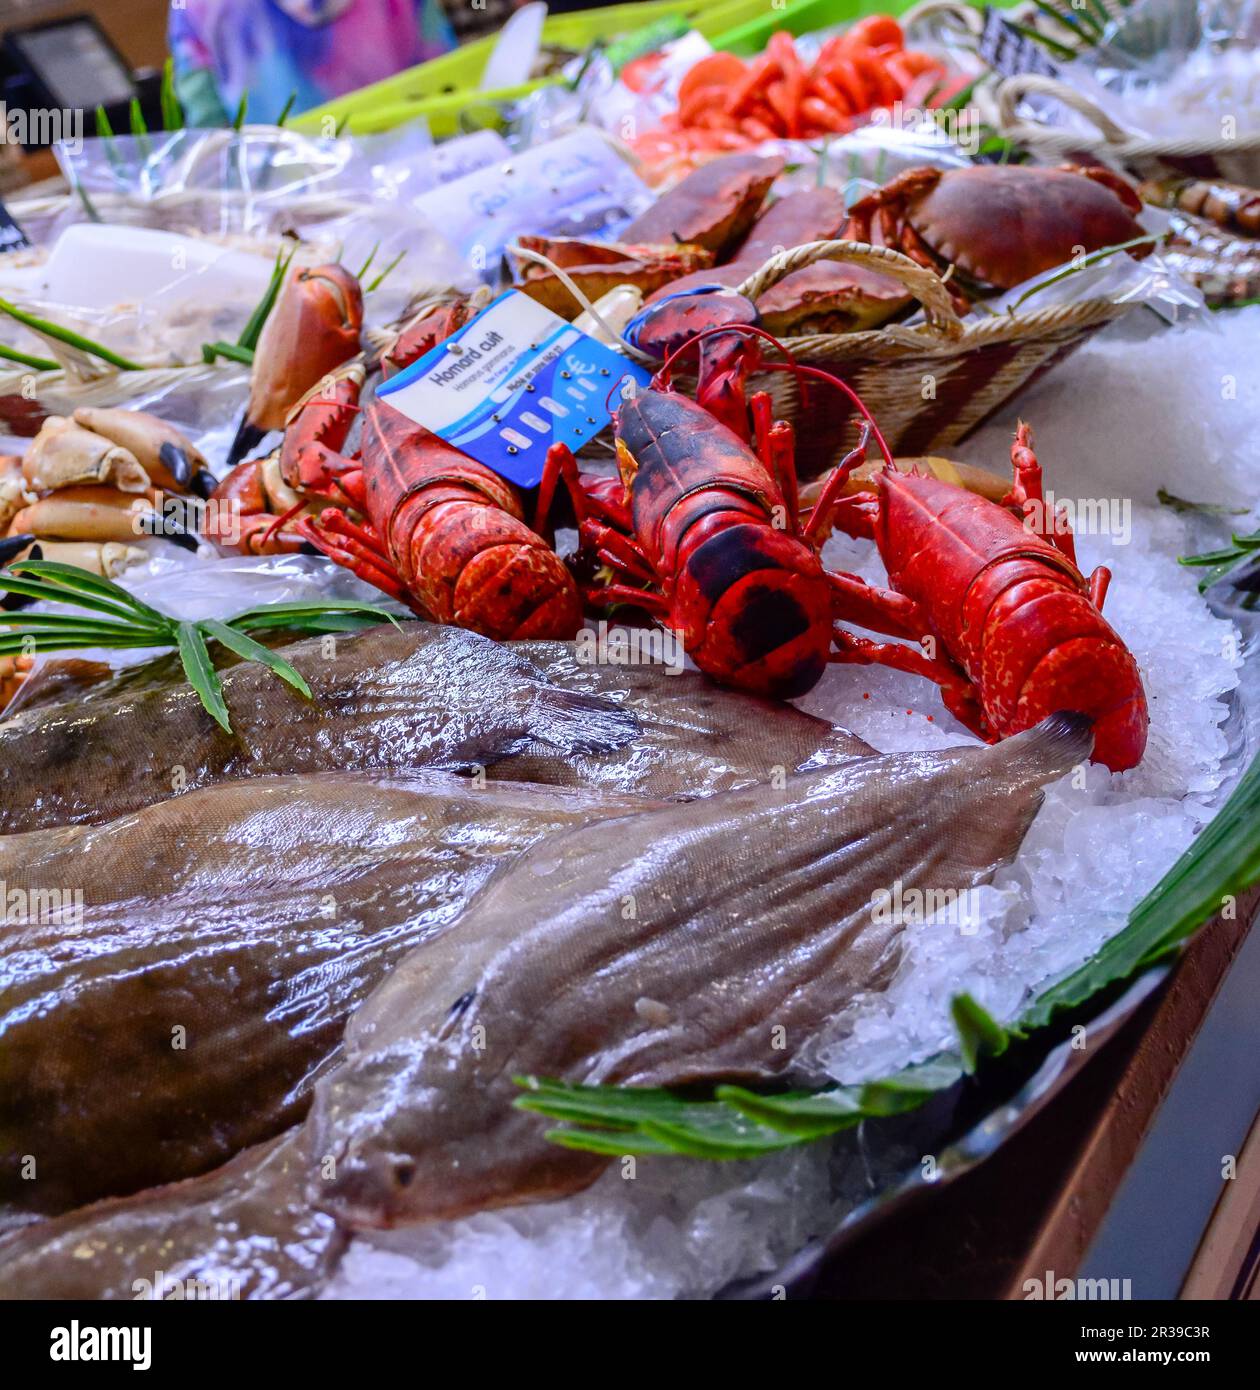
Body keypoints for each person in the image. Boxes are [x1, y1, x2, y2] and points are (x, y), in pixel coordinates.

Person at [169, 0, 455, 126]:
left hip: (293, 202)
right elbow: (448, 76)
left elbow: (208, 131)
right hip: (426, 162)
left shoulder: (194, 8)